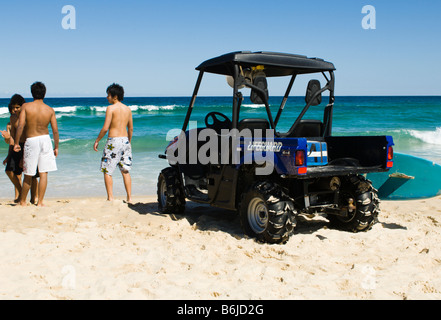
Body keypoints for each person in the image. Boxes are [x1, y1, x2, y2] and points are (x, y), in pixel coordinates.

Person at [14, 82, 59, 207]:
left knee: (28, 172)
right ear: (44, 93)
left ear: (32, 93)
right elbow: (55, 130)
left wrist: (16, 143)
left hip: (32, 139)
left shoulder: (26, 107)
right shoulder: (49, 110)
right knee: (44, 173)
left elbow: (21, 125)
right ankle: (40, 202)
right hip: (45, 139)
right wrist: (56, 147)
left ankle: (22, 201)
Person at [93, 83, 133, 202]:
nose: (107, 97)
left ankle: (110, 197)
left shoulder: (111, 108)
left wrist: (97, 140)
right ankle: (129, 198)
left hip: (113, 141)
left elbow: (105, 128)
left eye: (108, 95)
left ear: (114, 96)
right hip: (125, 141)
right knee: (125, 170)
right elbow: (130, 128)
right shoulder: (127, 109)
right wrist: (128, 141)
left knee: (107, 170)